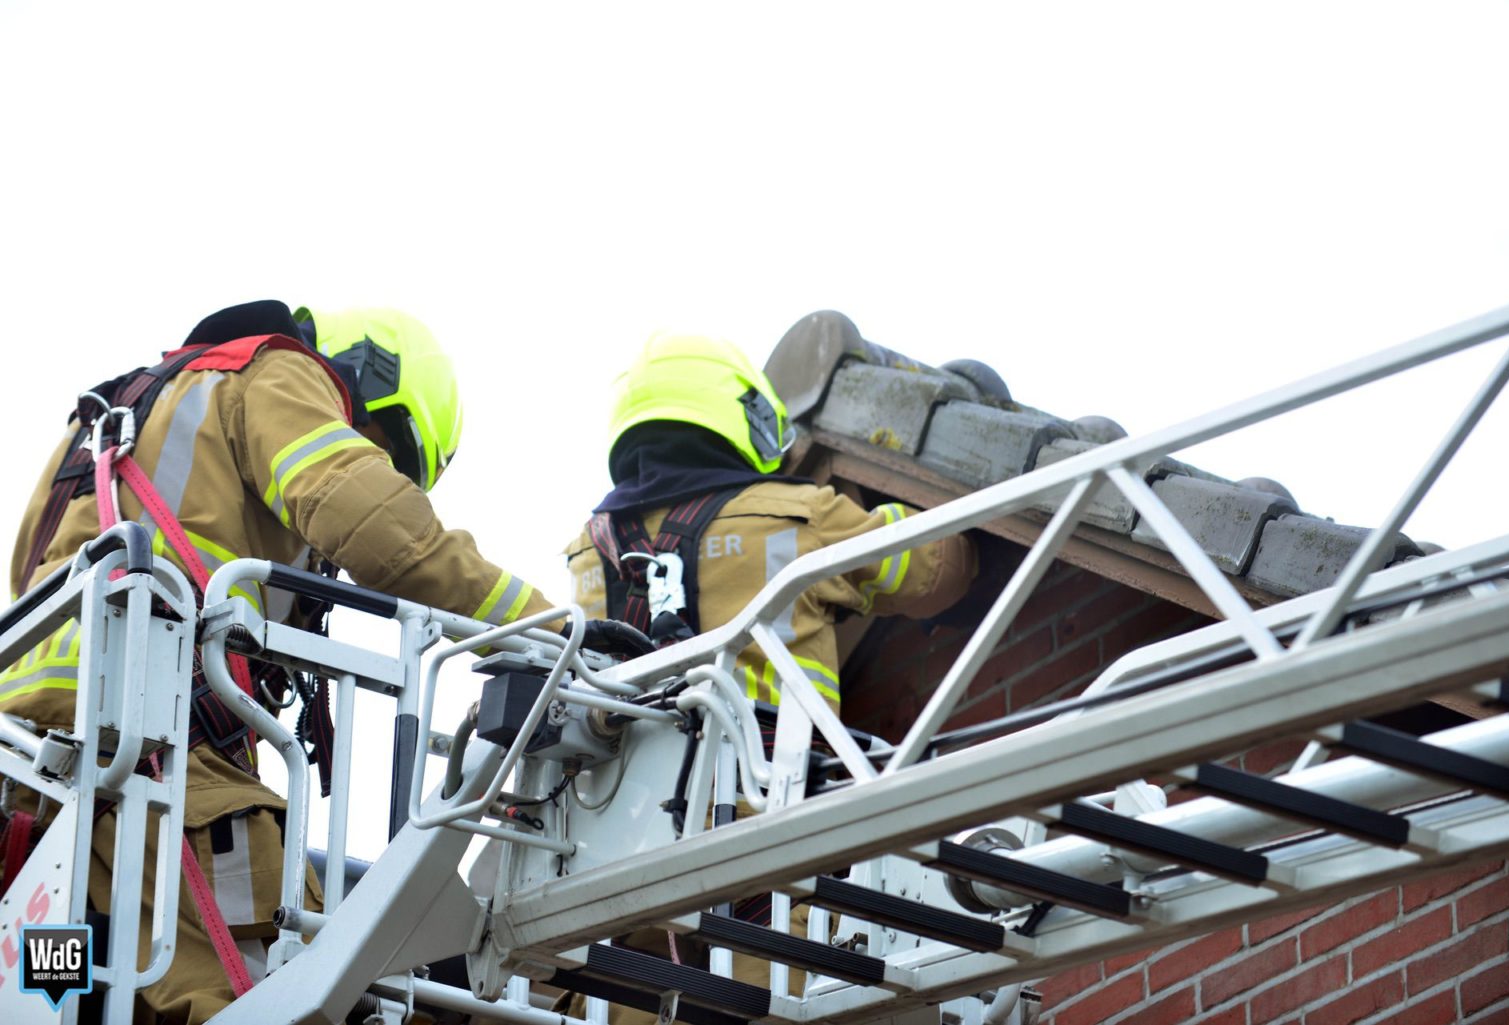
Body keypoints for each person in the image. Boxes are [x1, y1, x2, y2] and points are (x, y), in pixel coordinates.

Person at [0, 300, 557, 1024]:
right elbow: (382, 529)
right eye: (378, 446)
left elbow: (24, 575)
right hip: (173, 783)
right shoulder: (276, 375)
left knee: (73, 993)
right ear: (367, 385)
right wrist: (552, 634)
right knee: (280, 996)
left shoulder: (103, 421)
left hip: (39, 789)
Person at [561, 332, 976, 1020]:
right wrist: (913, 515)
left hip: (626, 876)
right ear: (739, 417)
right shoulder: (794, 516)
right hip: (770, 862)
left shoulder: (587, 555)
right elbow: (935, 570)